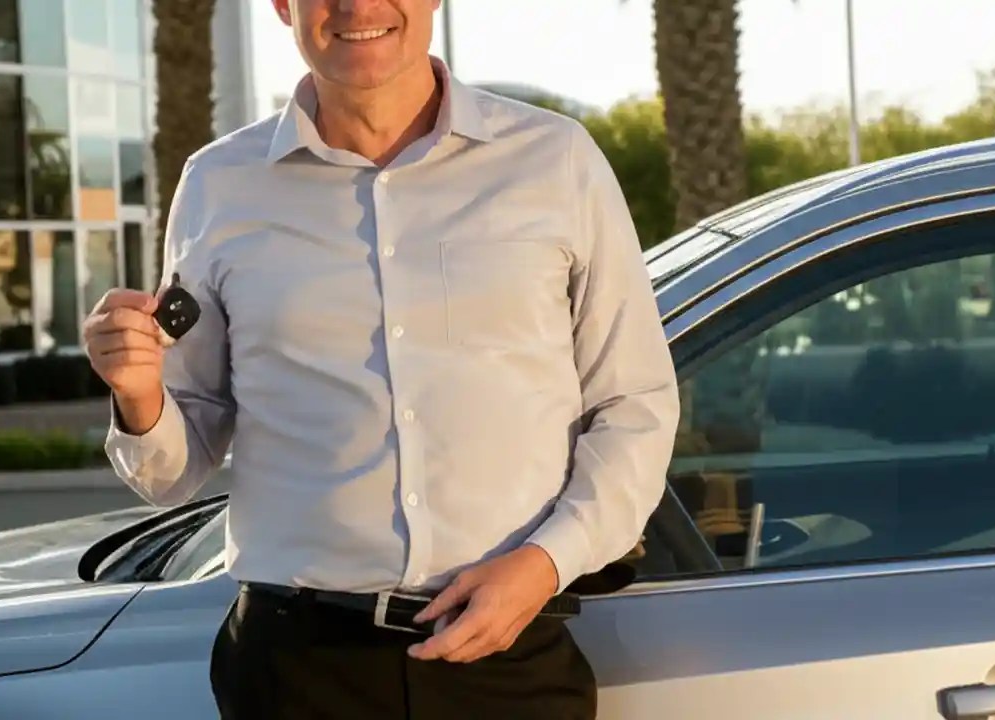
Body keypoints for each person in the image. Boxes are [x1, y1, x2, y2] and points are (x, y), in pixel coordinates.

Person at [82, 0, 679, 717]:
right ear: (283, 6)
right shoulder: (219, 185)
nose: (358, 7)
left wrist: (545, 563)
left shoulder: (556, 161)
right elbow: (177, 468)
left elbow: (634, 404)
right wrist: (138, 393)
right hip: (298, 672)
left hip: (512, 665)